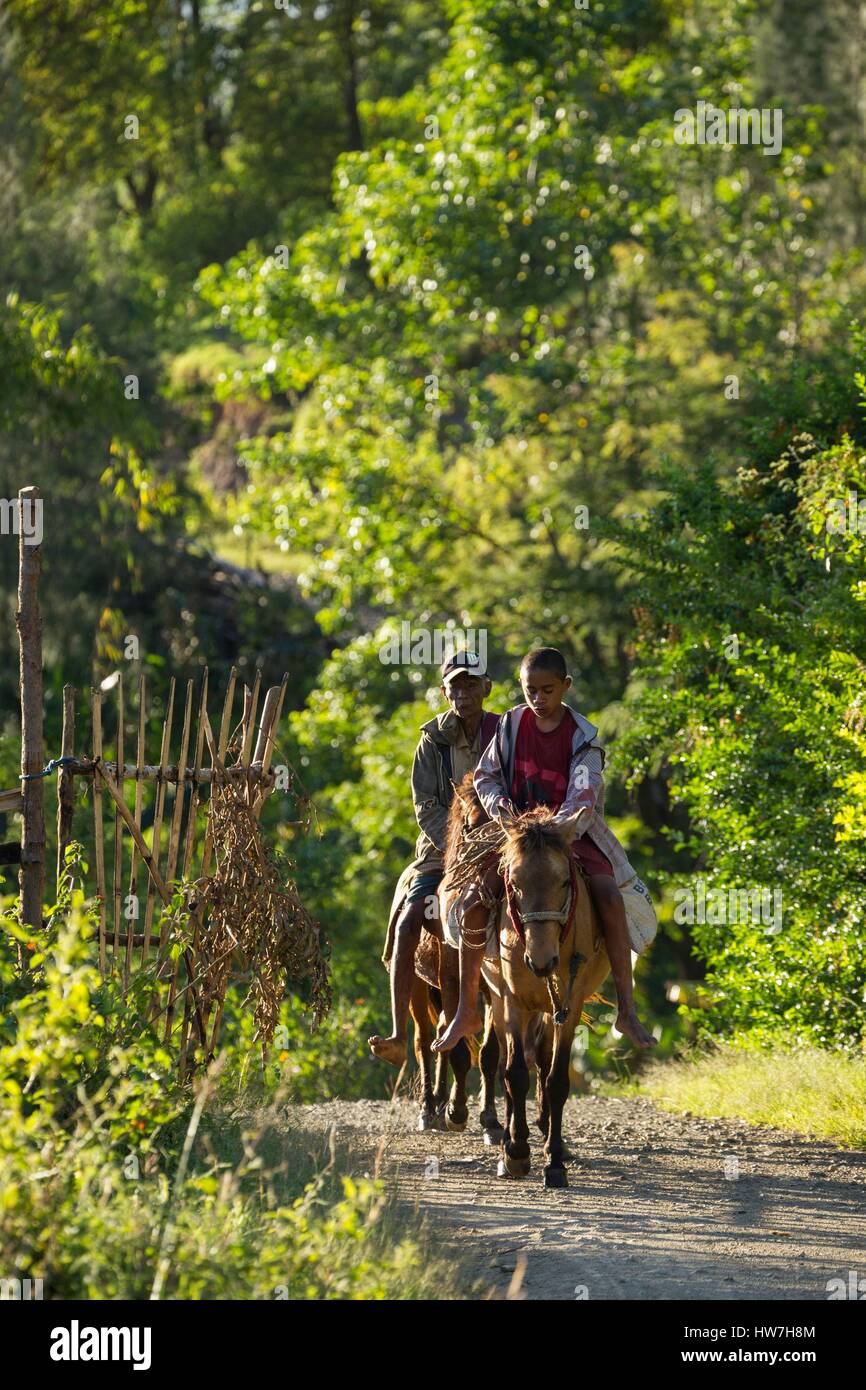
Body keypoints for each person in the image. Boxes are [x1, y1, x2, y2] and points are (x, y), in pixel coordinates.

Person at [432, 646, 656, 1054]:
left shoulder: (582, 736)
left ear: (566, 687)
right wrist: (502, 810)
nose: (538, 698)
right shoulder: (511, 725)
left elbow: (585, 790)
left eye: (547, 690)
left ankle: (626, 1007)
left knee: (607, 894)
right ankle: (466, 1008)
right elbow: (486, 775)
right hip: (515, 834)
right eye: (530, 690)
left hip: (570, 835)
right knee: (474, 897)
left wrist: (560, 825)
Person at [368, 651, 499, 1065]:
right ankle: (398, 1033)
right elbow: (425, 806)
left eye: (470, 685)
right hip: (441, 852)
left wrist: (491, 837)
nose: (463, 694)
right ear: (444, 692)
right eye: (455, 687)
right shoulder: (431, 740)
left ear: (486, 688)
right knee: (409, 919)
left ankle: (547, 1004)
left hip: (498, 844)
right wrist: (459, 844)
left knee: (541, 896)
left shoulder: (505, 731)